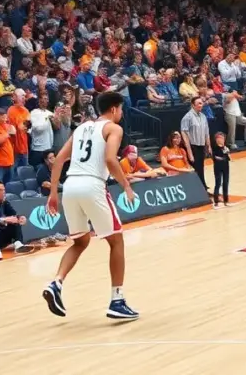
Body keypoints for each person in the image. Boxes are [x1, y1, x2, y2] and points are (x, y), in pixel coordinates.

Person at [42, 91, 139, 320]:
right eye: (120, 109)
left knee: (80, 241)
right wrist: (126, 186)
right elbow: (110, 159)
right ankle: (117, 300)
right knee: (116, 240)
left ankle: (56, 283)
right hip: (92, 184)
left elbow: (58, 159)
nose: (121, 113)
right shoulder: (113, 128)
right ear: (114, 109)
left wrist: (53, 192)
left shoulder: (82, 128)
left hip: (70, 186)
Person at [180, 97, 210, 189]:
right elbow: (184, 134)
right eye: (199, 103)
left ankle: (203, 185)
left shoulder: (203, 116)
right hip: (192, 146)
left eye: (202, 103)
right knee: (196, 167)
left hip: (201, 145)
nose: (201, 105)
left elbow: (206, 132)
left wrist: (208, 146)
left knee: (201, 166)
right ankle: (198, 187)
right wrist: (189, 152)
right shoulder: (187, 117)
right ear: (193, 105)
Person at [210, 131, 231, 208]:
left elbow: (229, 158)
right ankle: (216, 202)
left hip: (226, 167)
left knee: (225, 183)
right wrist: (222, 157)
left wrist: (227, 152)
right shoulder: (215, 148)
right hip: (218, 167)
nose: (221, 140)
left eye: (223, 138)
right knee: (218, 183)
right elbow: (214, 157)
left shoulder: (225, 147)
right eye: (219, 138)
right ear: (216, 139)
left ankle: (226, 201)